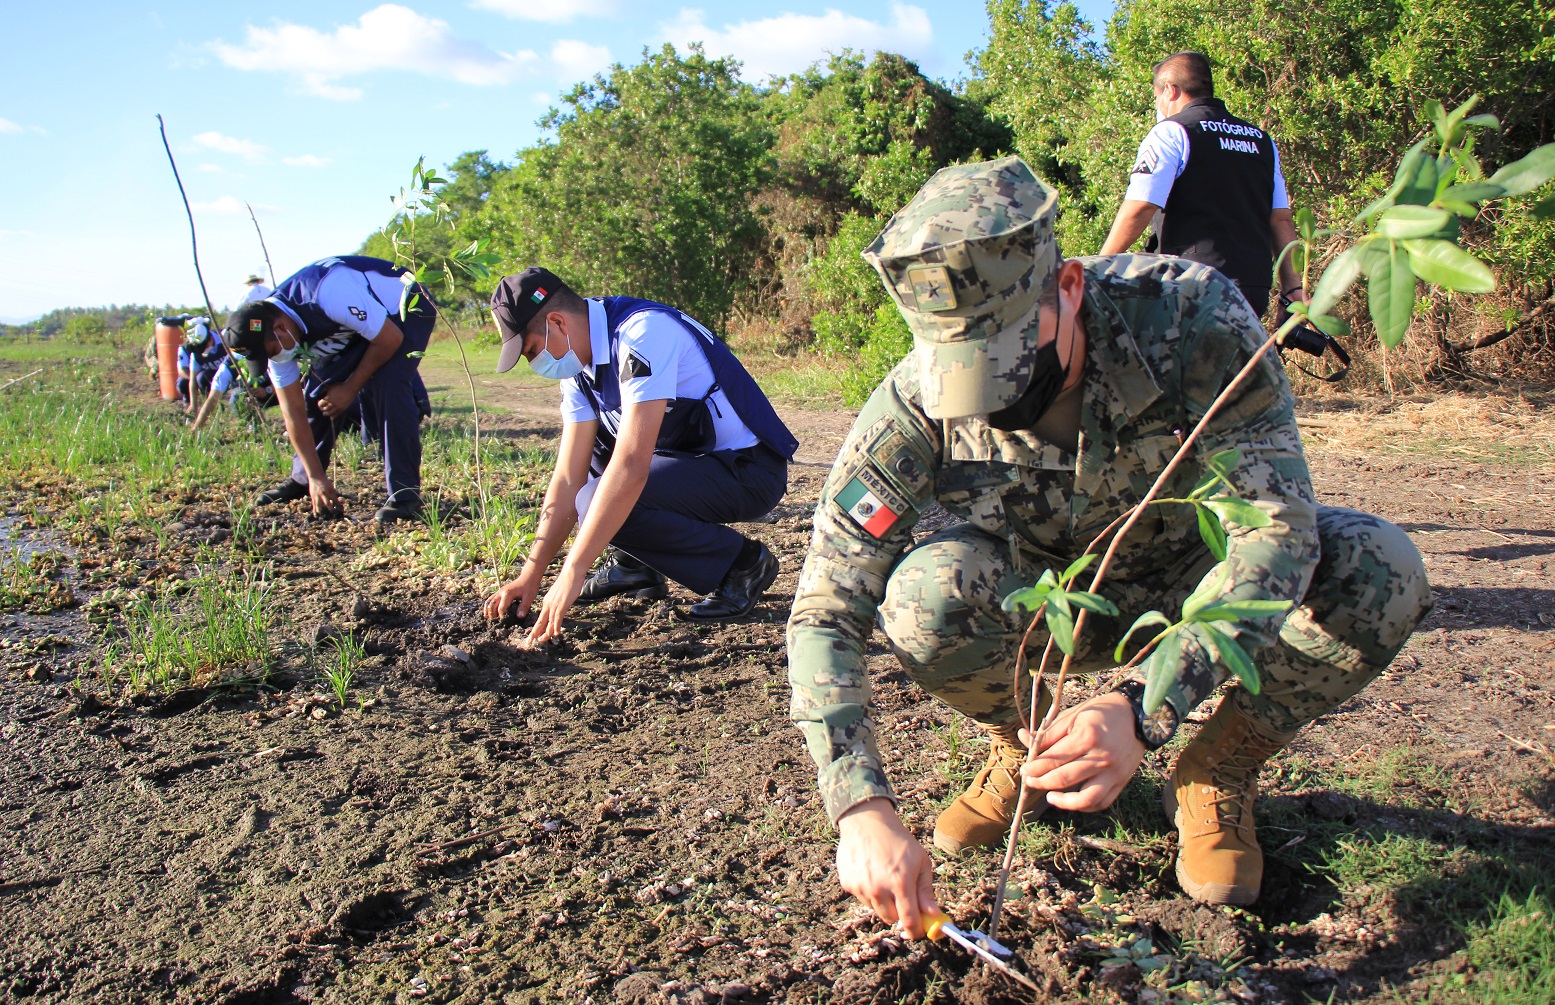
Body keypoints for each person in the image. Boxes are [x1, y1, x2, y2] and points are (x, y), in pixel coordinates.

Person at [787, 156, 1432, 936]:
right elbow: (826, 604)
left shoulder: (1193, 321)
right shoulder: (911, 404)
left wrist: (1143, 705)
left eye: (1010, 363)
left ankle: (1216, 768)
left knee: (1378, 565)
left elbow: (1274, 534)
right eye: (968, 377)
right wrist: (859, 805)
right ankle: (1025, 750)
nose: (995, 401)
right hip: (1047, 608)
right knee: (924, 594)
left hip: (1200, 584)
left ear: (1068, 287)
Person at [482, 267, 797, 641]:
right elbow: (568, 477)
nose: (534, 365)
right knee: (594, 457)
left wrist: (574, 570)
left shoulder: (643, 334)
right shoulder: (579, 369)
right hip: (685, 463)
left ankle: (741, 564)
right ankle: (636, 568)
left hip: (746, 472)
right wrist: (531, 575)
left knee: (598, 495)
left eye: (532, 350)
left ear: (557, 322)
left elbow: (631, 466)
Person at [220, 254, 436, 525]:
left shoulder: (328, 294)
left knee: (388, 383)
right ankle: (303, 480)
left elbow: (389, 338)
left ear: (281, 328)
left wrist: (349, 388)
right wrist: (315, 477)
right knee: (316, 394)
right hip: (354, 325)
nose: (274, 358)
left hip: (404, 304)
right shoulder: (275, 337)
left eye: (271, 351)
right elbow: (293, 413)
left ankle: (405, 497)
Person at [1100, 51, 1305, 319]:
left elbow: (1140, 206)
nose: (1158, 107)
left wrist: (1098, 267)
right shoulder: (1261, 140)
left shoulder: (1171, 132)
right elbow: (1281, 219)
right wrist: (1293, 289)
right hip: (1252, 287)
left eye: (1156, 98)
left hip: (1192, 284)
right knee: (1237, 362)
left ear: (1170, 91)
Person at [190, 352, 278, 430]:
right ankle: (255, 425)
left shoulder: (268, 350)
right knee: (237, 397)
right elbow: (213, 397)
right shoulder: (229, 364)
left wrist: (268, 390)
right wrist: (197, 426)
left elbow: (289, 377)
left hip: (277, 391)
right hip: (254, 395)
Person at [175, 318, 226, 413]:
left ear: (210, 338)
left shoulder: (225, 338)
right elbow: (192, 379)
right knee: (197, 379)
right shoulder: (194, 353)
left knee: (202, 378)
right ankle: (208, 404)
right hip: (206, 375)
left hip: (226, 374)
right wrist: (193, 405)